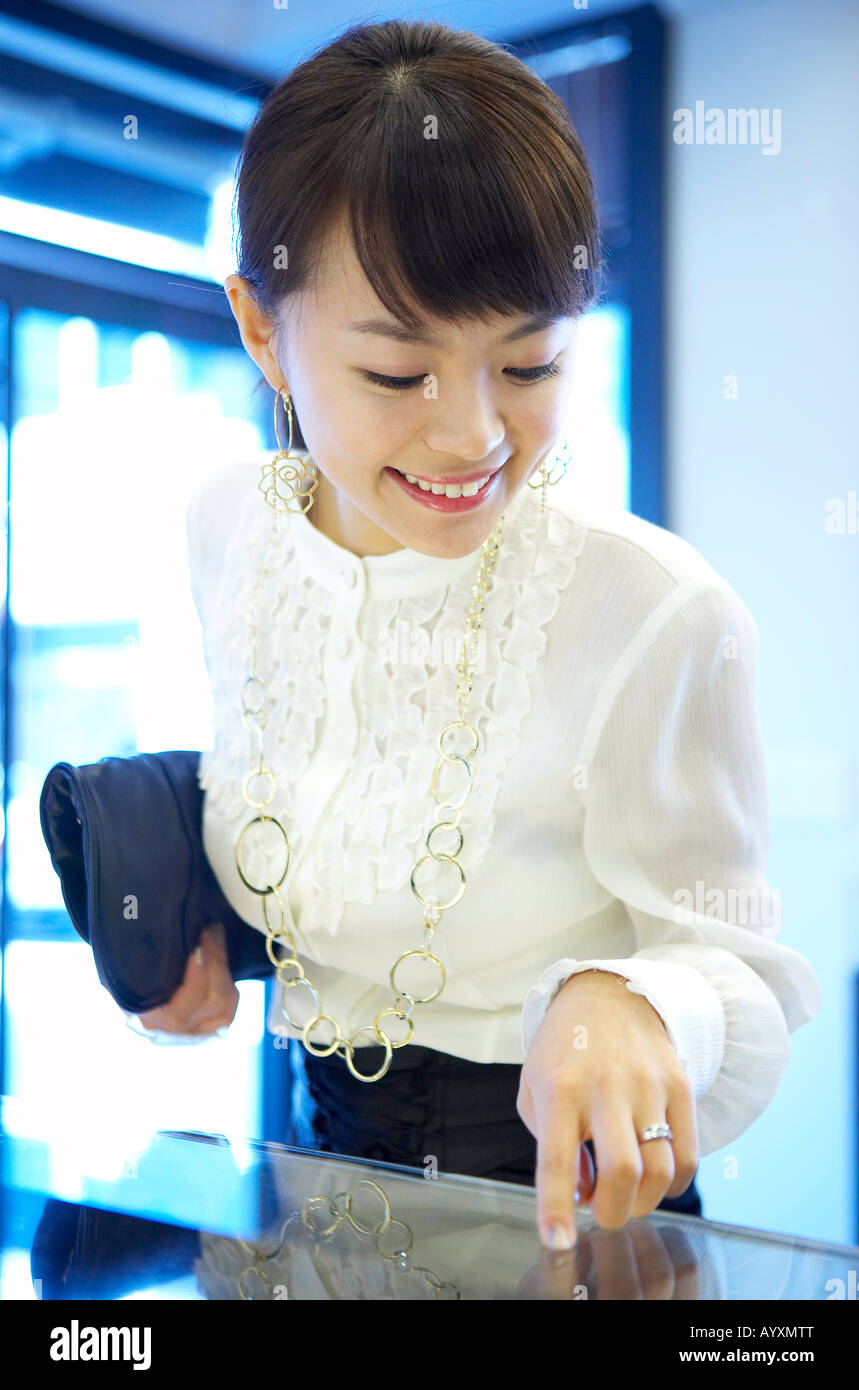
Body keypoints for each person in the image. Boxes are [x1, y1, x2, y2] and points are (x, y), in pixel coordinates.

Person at [137, 18, 821, 1250]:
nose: (472, 437)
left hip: (571, 1228)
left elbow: (747, 971)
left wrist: (636, 998)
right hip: (315, 1206)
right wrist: (187, 923)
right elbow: (306, 796)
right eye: (400, 376)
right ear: (257, 327)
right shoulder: (225, 529)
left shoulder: (655, 608)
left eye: (530, 365)